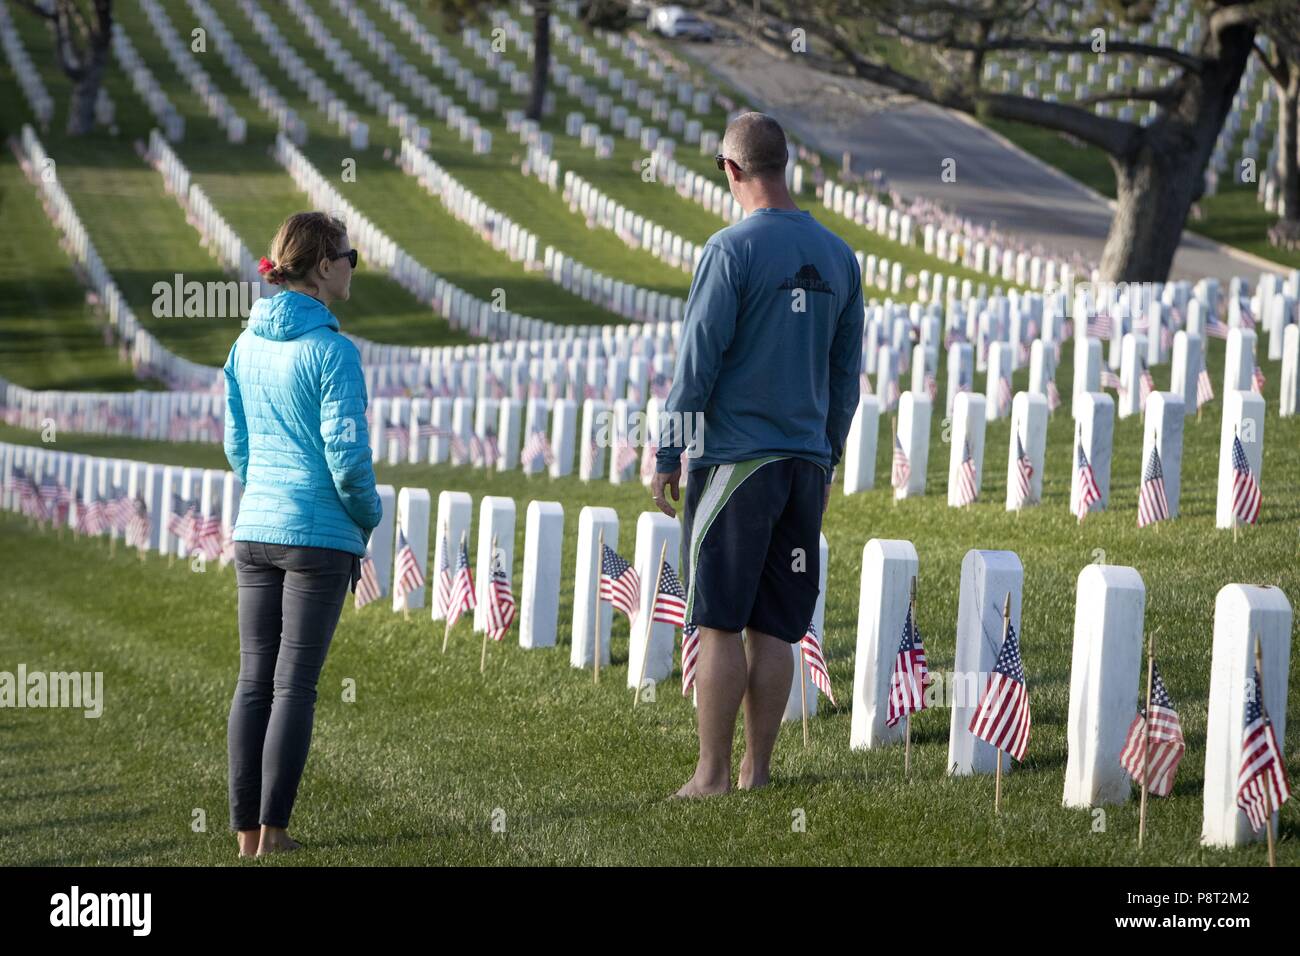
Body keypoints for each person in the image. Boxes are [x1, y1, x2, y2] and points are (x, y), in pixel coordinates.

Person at [651, 113, 863, 797]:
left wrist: (667, 452)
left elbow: (697, 364)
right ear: (785, 164)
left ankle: (711, 774)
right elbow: (844, 375)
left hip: (739, 462)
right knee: (776, 623)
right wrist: (826, 455)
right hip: (805, 462)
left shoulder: (730, 250)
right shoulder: (839, 256)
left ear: (731, 170)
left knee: (718, 621)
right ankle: (757, 771)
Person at [223, 212, 382, 856]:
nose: (352, 265)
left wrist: (263, 493)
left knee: (253, 678)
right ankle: (277, 830)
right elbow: (346, 458)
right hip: (316, 535)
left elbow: (237, 446)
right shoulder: (334, 352)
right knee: (293, 684)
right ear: (322, 266)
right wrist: (366, 514)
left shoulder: (244, 345)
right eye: (348, 255)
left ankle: (243, 835)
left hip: (254, 529)